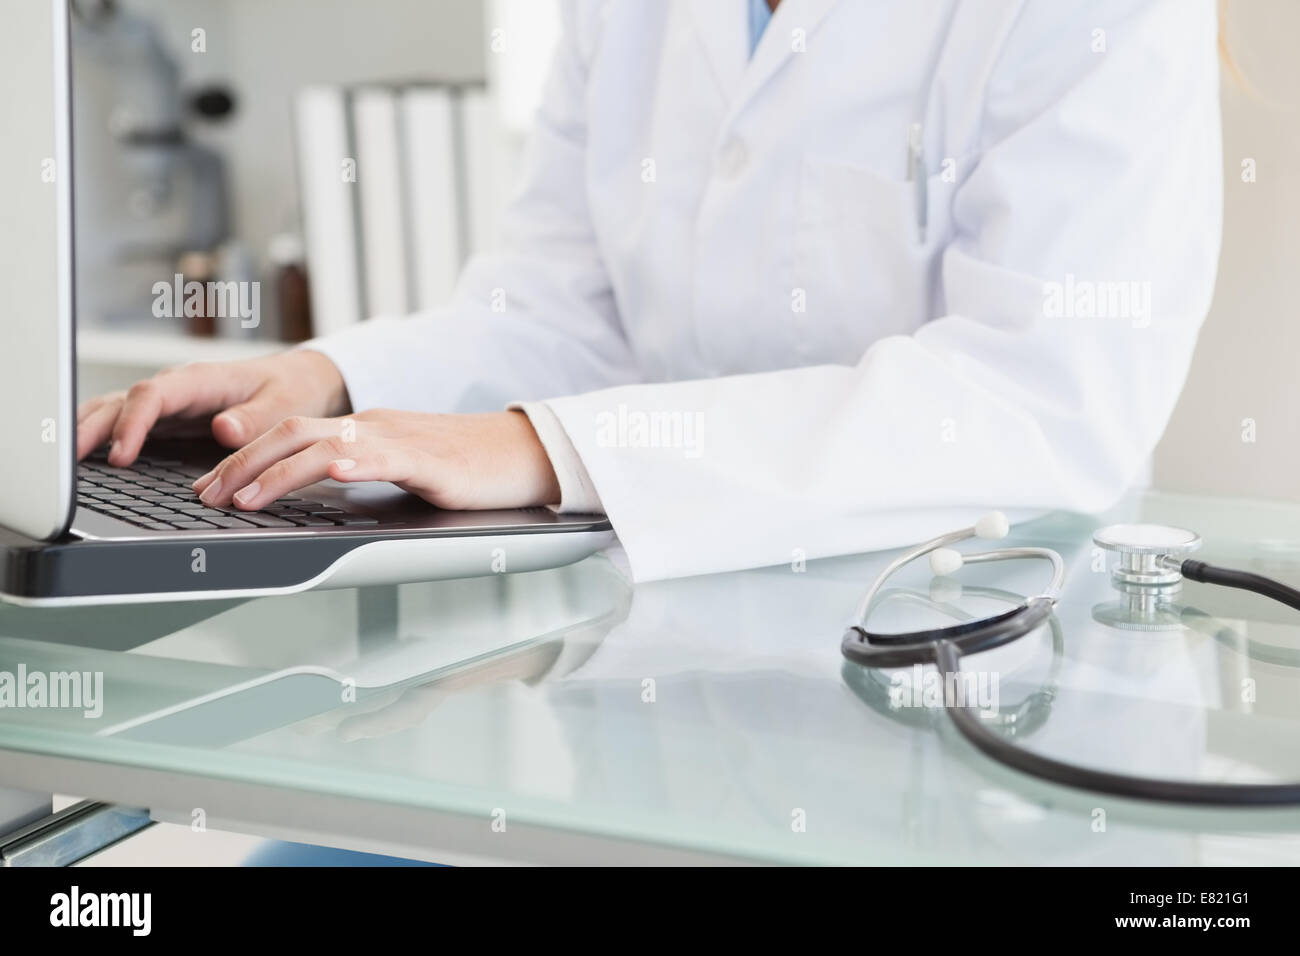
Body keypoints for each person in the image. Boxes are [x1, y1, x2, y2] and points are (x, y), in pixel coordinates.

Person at [77, 0, 1224, 582]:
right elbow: (564, 306)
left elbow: (1039, 402)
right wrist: (327, 380)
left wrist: (550, 445)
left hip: (983, 664)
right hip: (646, 664)